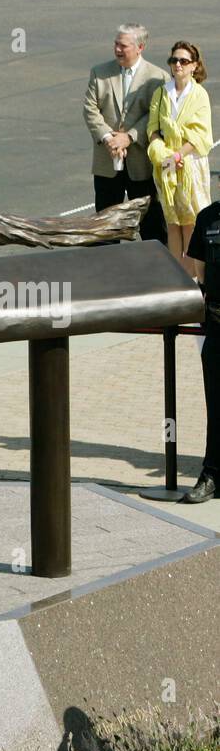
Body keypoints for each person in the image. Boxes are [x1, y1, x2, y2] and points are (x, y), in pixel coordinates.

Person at [84, 23, 169, 244]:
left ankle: (158, 269)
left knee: (151, 224)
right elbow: (90, 109)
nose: (117, 49)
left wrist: (129, 137)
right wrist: (108, 137)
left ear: (140, 47)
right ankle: (106, 269)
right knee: (104, 225)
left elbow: (156, 115)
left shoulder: (158, 78)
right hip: (107, 160)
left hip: (140, 163)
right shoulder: (99, 72)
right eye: (116, 44)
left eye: (123, 45)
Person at [147, 42, 213, 281]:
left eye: (183, 61)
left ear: (194, 66)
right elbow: (152, 129)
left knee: (192, 221)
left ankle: (195, 279)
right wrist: (163, 154)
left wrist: (178, 155)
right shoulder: (161, 93)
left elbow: (200, 134)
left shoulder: (199, 95)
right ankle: (177, 278)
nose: (177, 65)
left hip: (190, 165)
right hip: (166, 166)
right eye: (174, 60)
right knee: (172, 221)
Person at [181, 195, 220, 504]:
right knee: (216, 406)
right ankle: (211, 475)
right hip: (218, 326)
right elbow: (200, 272)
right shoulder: (208, 219)